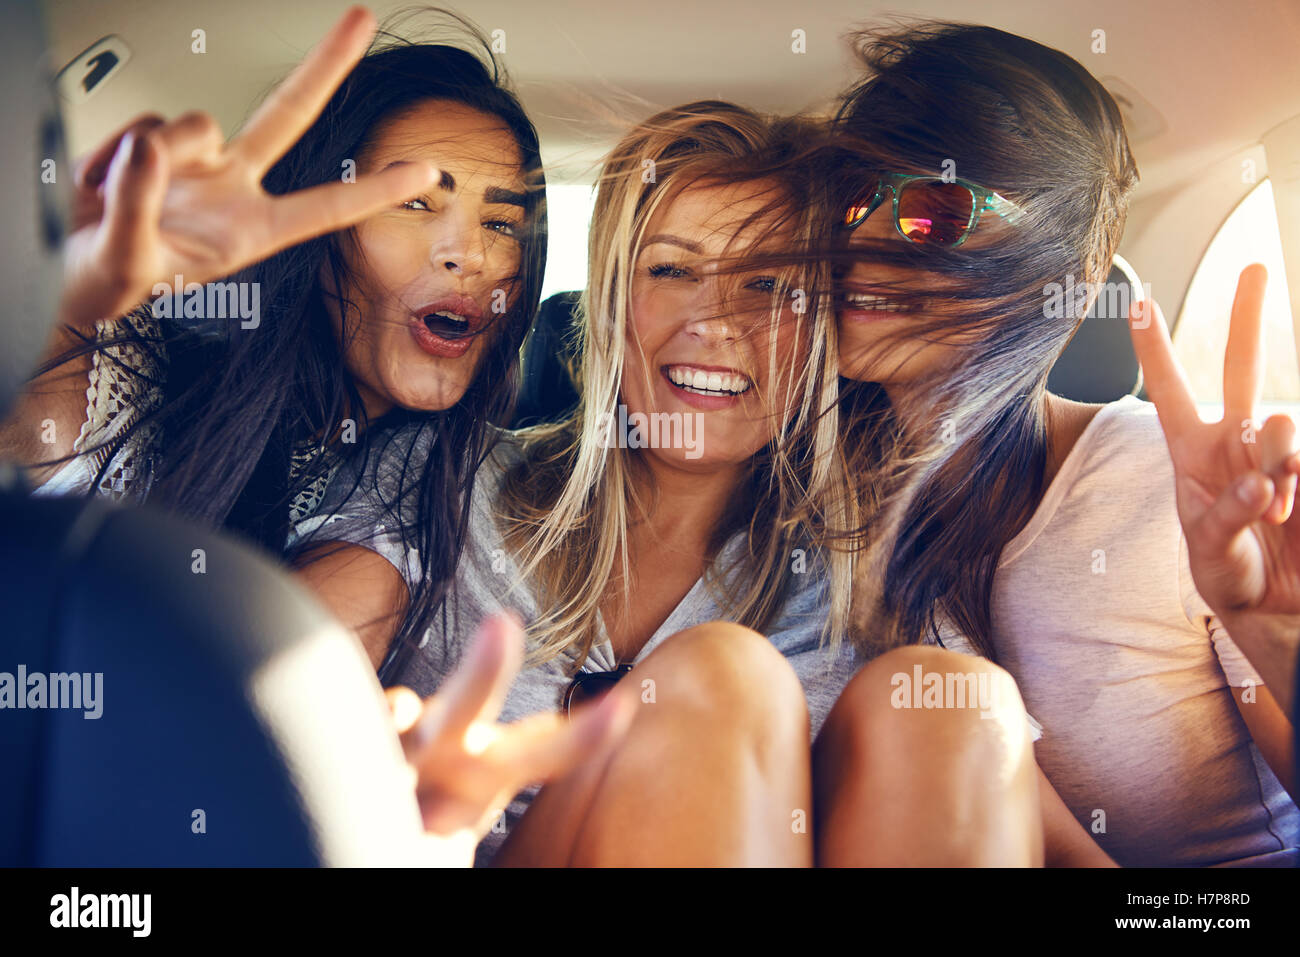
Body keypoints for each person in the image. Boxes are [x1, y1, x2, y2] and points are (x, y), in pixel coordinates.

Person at [305, 99, 1044, 867]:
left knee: (961, 699)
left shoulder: (878, 561)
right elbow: (281, 696)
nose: (714, 321)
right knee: (724, 673)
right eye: (671, 269)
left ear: (821, 325)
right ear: (610, 303)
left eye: (766, 284)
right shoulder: (442, 476)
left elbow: (1019, 803)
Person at [826, 21, 1297, 865]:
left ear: (1072, 280)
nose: (864, 239)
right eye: (853, 197)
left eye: (938, 209)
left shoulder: (1176, 492)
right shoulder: (807, 523)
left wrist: (1274, 636)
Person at [0, 7, 547, 673]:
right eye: (414, 202)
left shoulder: (470, 487)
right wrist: (55, 285)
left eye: (501, 223)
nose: (473, 255)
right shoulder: (122, 384)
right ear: (313, 225)